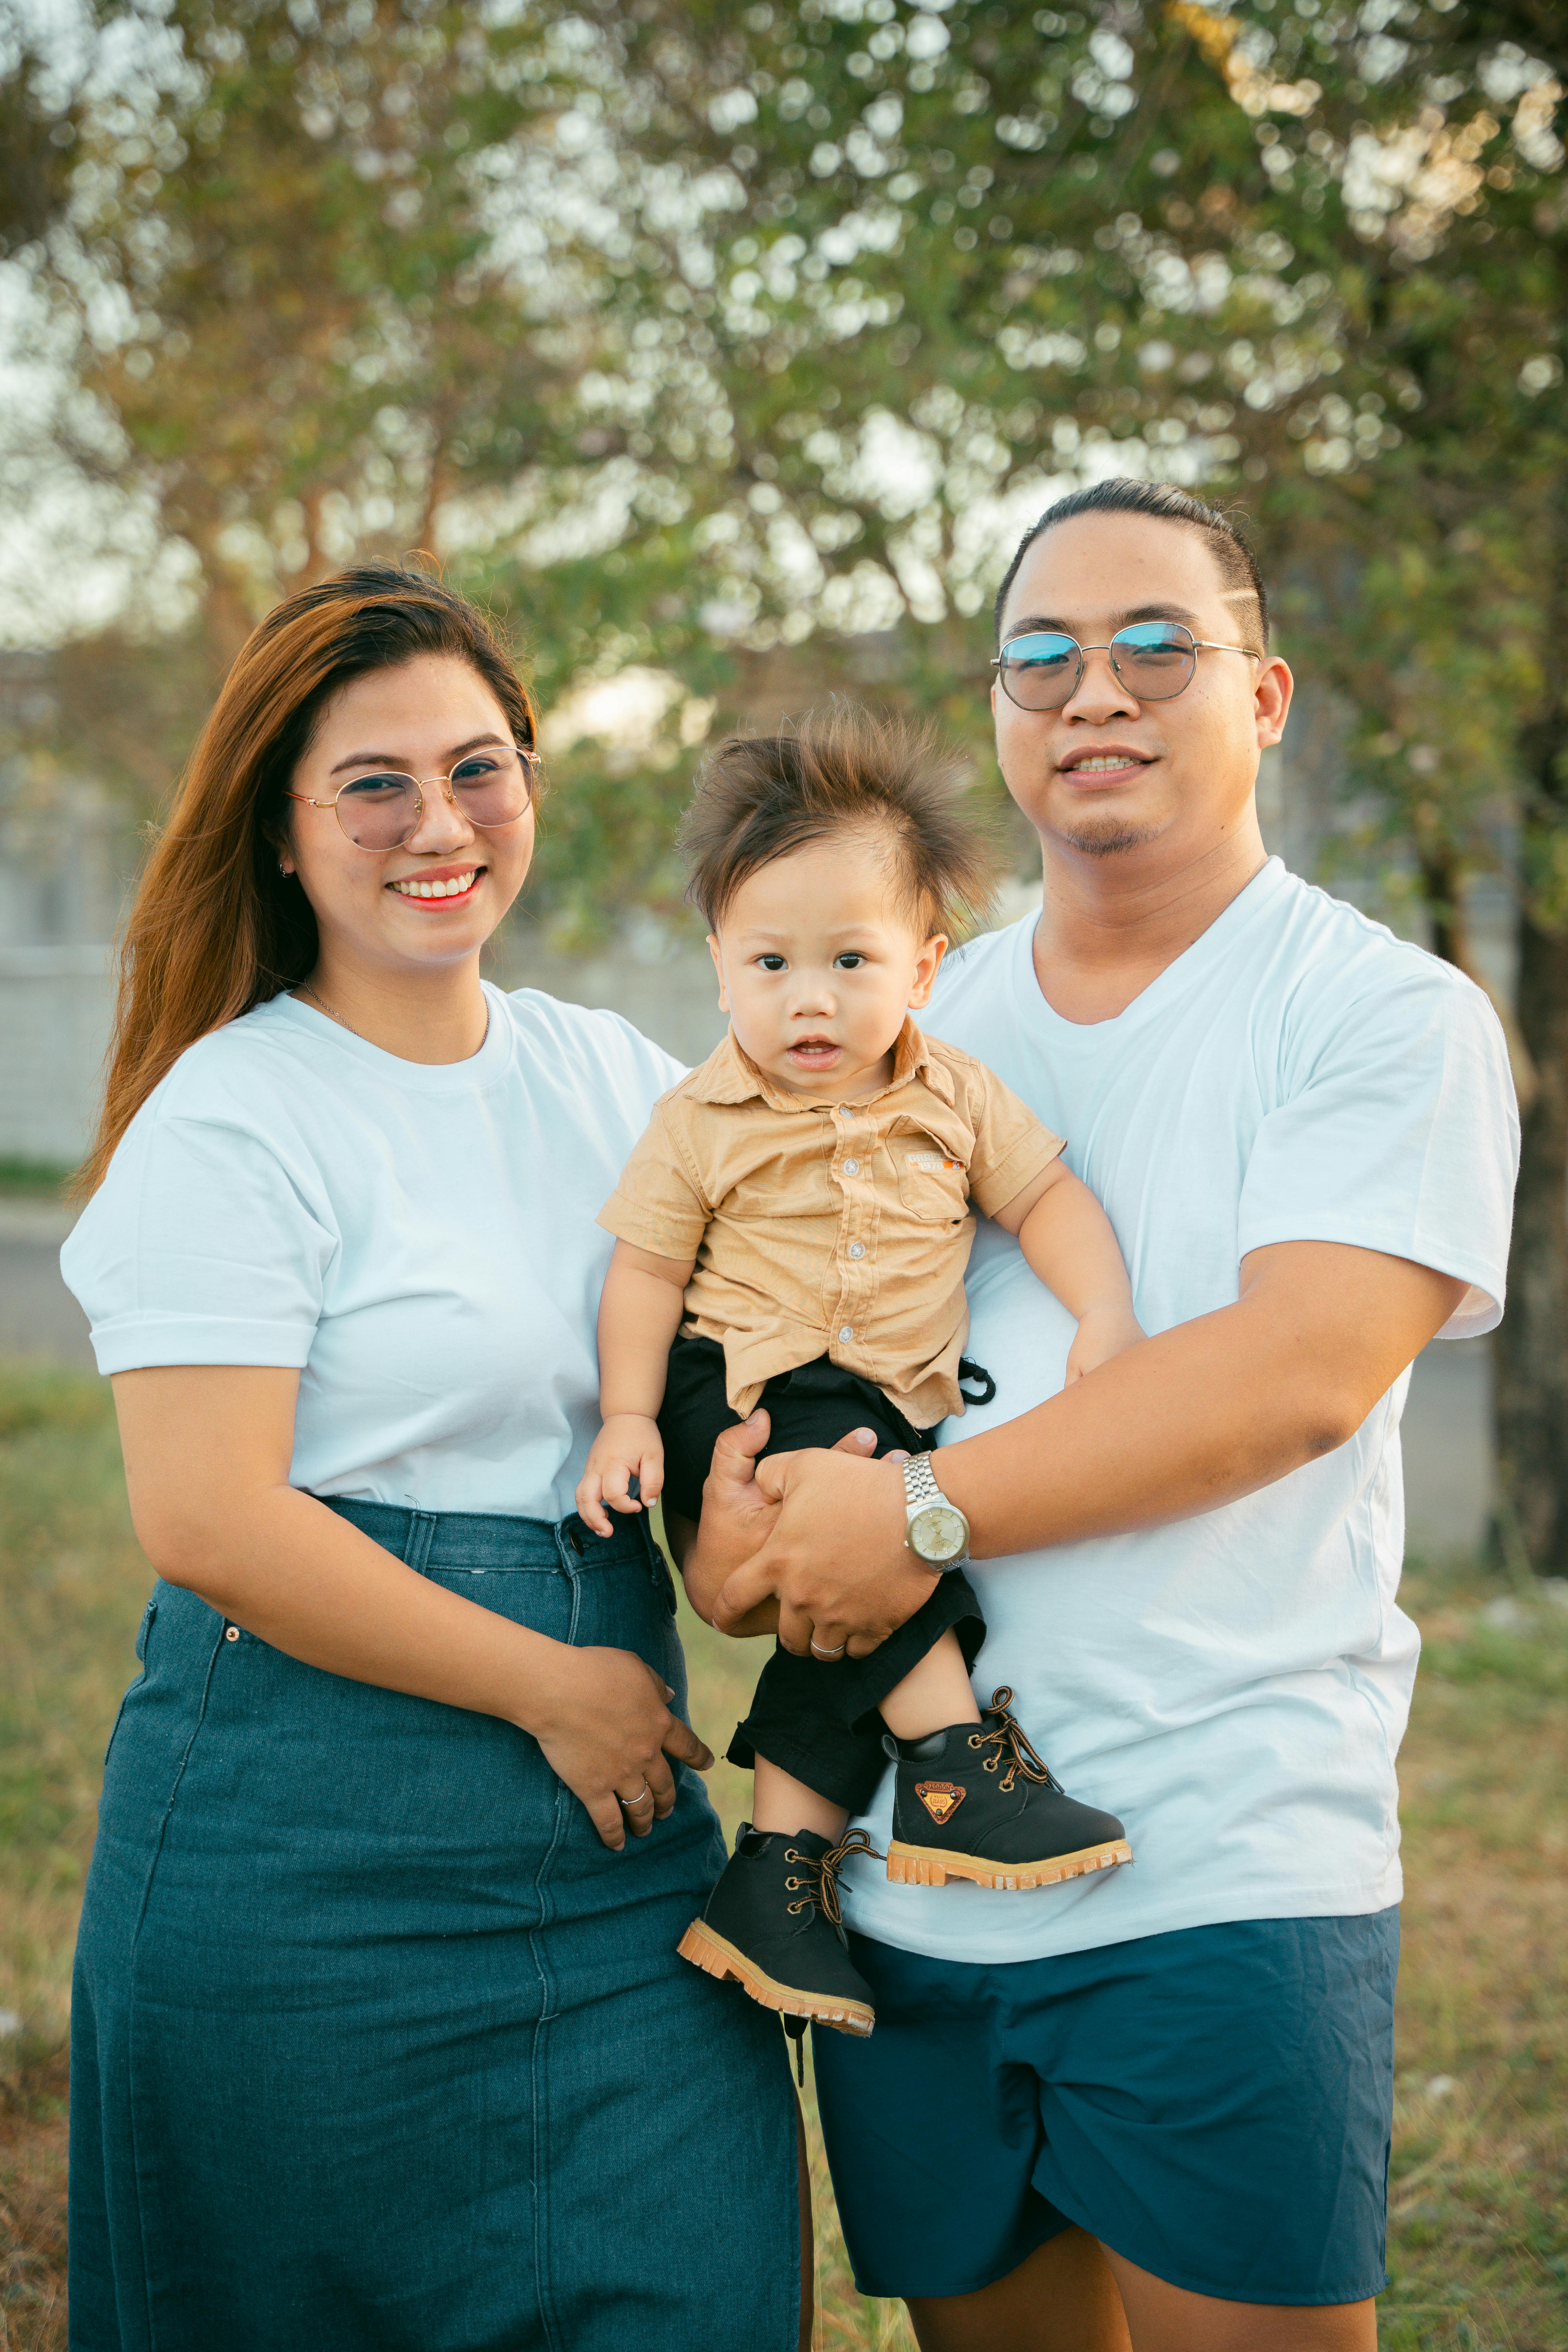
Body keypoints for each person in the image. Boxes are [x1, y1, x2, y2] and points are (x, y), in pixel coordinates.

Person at [679, 480, 1520, 2352]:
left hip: (1214, 1873)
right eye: (1041, 656)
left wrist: (911, 1517)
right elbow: (762, 1332)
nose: (1096, 692)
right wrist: (733, 1525)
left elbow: (1294, 1375)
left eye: (1158, 645)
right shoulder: (899, 1016)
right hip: (903, 1893)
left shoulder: (1379, 1014)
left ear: (1267, 694)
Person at [60, 563, 804, 2352]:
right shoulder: (233, 1113)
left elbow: (742, 1358)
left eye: (478, 767)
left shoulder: (615, 1077)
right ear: (282, 829)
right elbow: (209, 1515)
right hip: (304, 1869)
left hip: (619, 1869)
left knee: (703, 2288)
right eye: (374, 785)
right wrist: (556, 1684)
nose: (440, 823)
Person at [576, 712, 1138, 2052]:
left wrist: (1106, 1310)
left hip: (877, 1408)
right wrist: (630, 1414)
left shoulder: (957, 1096)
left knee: (842, 1621)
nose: (809, 999)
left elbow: (1046, 1198)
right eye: (769, 963)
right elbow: (644, 1274)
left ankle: (777, 1875)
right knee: (898, 1567)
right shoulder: (698, 1119)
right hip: (744, 1390)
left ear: (924, 966)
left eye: (850, 960)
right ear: (721, 967)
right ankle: (951, 1767)